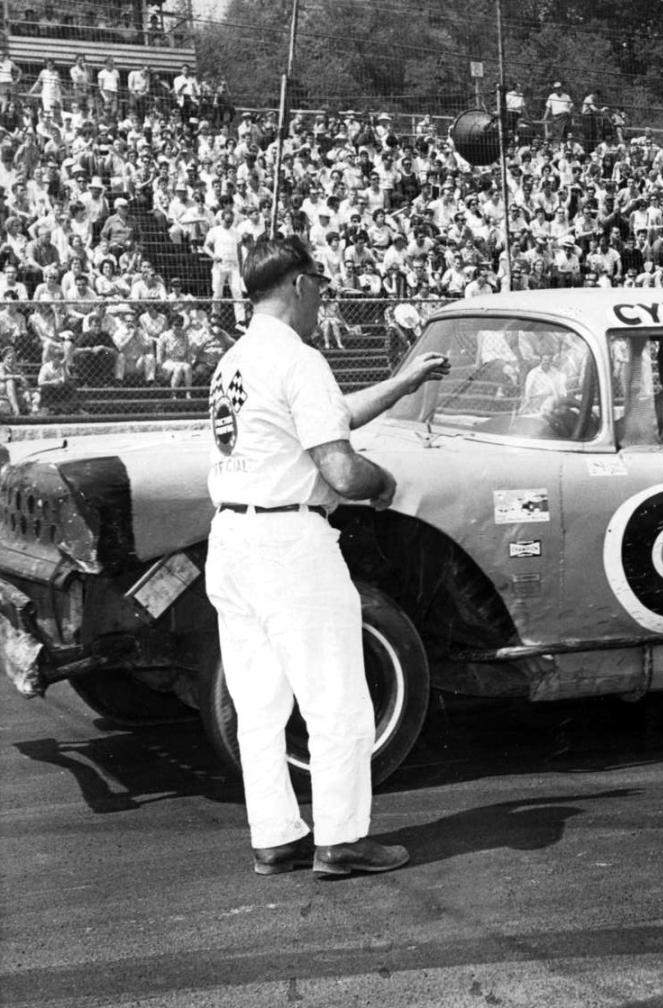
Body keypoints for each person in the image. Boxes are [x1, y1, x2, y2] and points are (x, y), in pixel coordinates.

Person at [203, 235, 451, 878]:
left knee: (258, 707)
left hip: (233, 538)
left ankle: (276, 837)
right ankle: (342, 839)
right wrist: (383, 483)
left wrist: (404, 382)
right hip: (290, 543)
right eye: (321, 285)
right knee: (337, 701)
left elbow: (329, 416)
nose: (323, 299)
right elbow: (340, 469)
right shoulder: (298, 359)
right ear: (300, 285)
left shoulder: (235, 360)